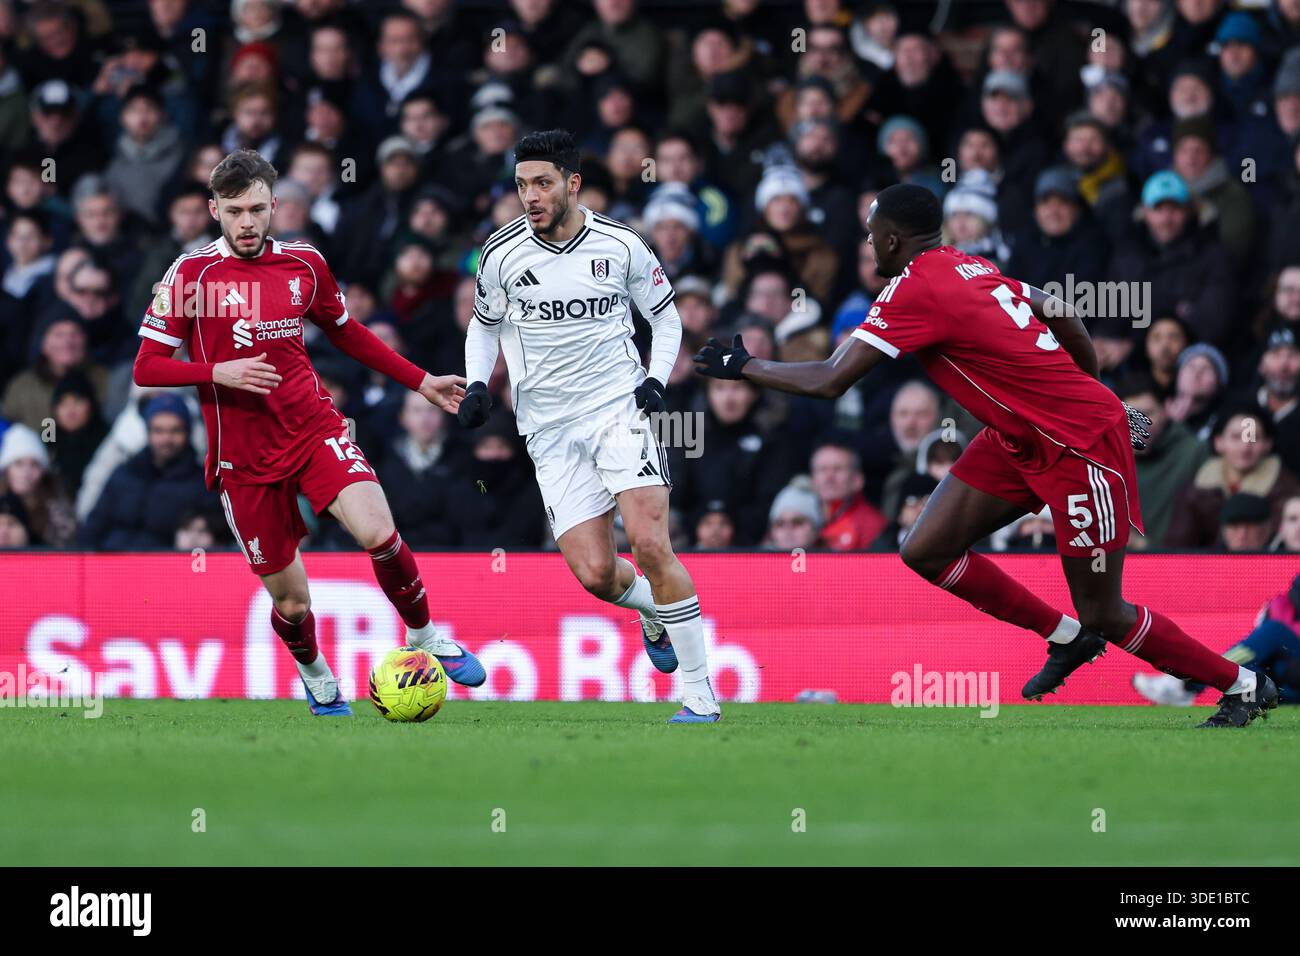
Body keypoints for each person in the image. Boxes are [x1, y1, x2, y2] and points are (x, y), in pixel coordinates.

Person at [694, 182, 1277, 728]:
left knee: (1104, 610)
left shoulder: (914, 287)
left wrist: (745, 366)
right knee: (926, 550)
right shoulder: (969, 265)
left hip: (1079, 448)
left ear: (891, 239)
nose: (867, 245)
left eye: (871, 235)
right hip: (1017, 438)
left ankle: (1243, 685)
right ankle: (1065, 637)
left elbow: (830, 379)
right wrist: (1082, 388)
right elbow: (1062, 311)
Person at [130, 148, 477, 717]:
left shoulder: (305, 263)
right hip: (243, 458)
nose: (247, 222)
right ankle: (316, 675)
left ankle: (426, 636)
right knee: (292, 604)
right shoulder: (190, 275)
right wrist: (217, 372)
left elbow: (346, 332)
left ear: (275, 206)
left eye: (257, 209)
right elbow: (146, 367)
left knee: (379, 532)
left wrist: (421, 382)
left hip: (313, 428)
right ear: (214, 210)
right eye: (234, 211)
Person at [460, 129, 721, 723]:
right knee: (597, 575)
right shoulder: (500, 253)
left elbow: (666, 319)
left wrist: (655, 380)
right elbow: (484, 325)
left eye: (543, 183)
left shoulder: (622, 245)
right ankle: (653, 611)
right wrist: (477, 383)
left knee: (651, 544)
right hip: (548, 429)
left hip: (617, 412)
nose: (531, 196)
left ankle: (700, 694)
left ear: (573, 184)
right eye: (522, 184)